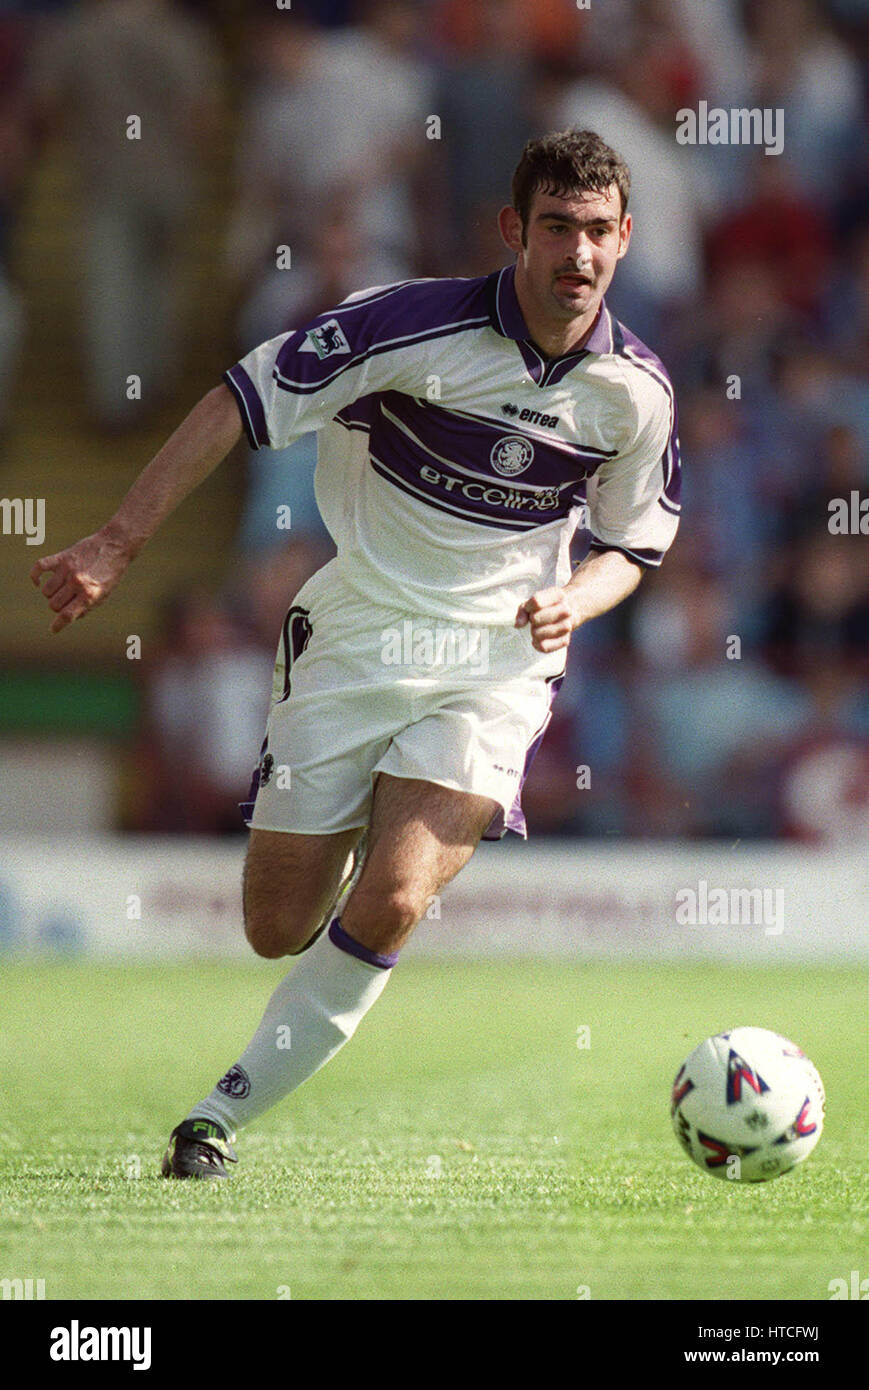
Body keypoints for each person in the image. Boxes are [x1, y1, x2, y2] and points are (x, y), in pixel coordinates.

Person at [31, 129, 682, 1179]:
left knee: (392, 895)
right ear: (514, 229)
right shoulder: (403, 325)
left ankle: (215, 1118)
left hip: (496, 662)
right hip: (356, 637)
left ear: (625, 238)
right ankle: (349, 830)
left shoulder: (633, 393)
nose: (579, 253)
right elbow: (237, 402)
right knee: (275, 924)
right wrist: (116, 540)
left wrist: (577, 598)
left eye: (599, 232)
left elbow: (634, 540)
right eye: (557, 227)